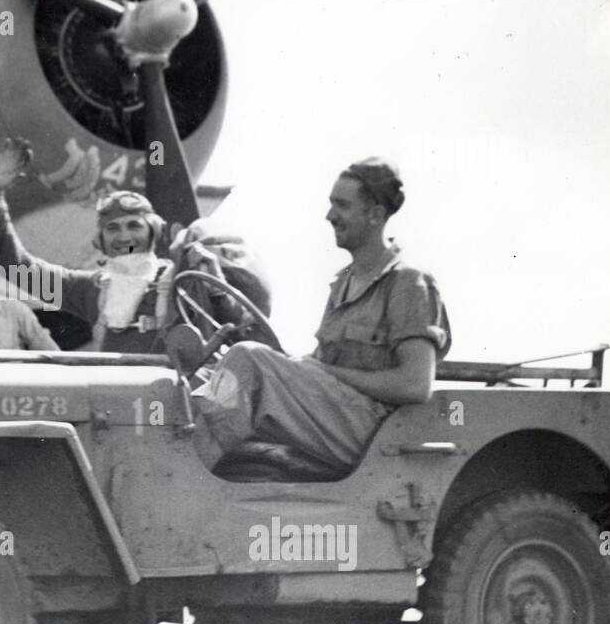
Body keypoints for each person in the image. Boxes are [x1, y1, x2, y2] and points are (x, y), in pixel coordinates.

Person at [192, 158, 450, 476]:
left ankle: (185, 475)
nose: (330, 216)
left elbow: (414, 385)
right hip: (336, 416)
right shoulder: (344, 282)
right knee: (203, 376)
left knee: (248, 360)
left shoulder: (408, 281)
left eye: (342, 206)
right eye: (331, 205)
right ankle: (193, 459)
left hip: (371, 432)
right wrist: (303, 365)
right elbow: (321, 366)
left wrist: (325, 372)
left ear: (376, 215)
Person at [0, 140, 176, 352]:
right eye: (113, 229)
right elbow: (20, 269)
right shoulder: (92, 289)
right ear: (101, 241)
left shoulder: (179, 282)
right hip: (112, 384)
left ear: (154, 231)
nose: (124, 237)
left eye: (134, 226)